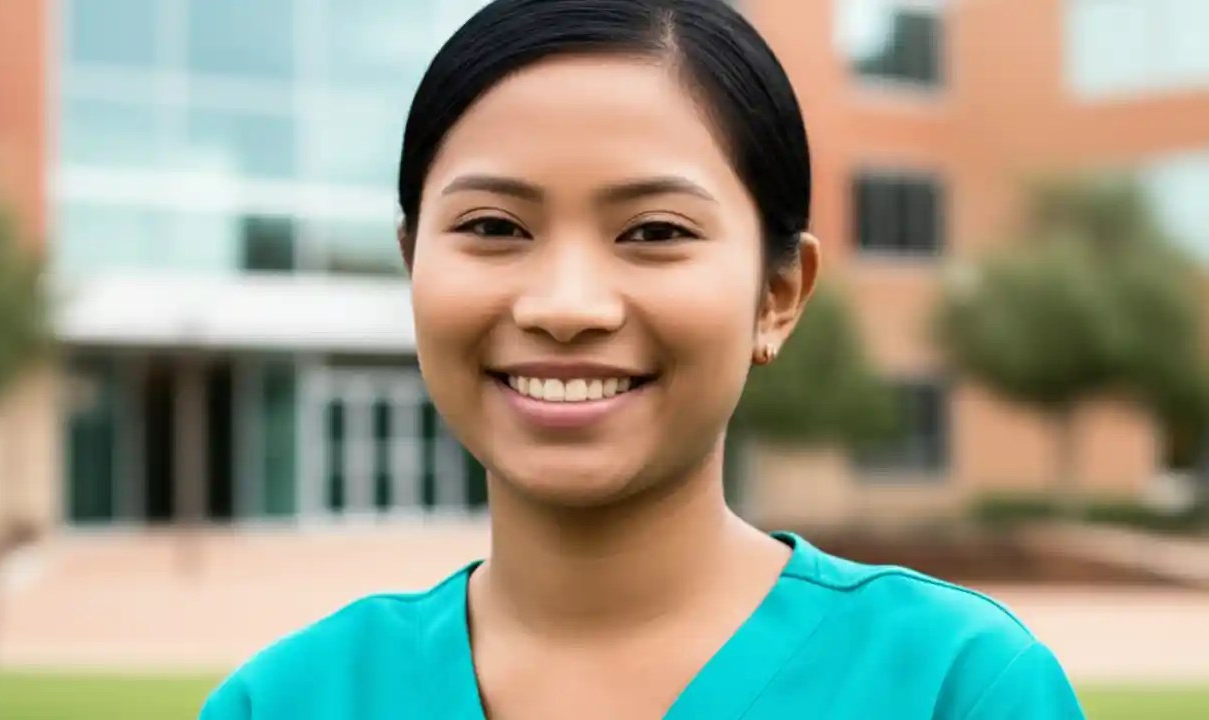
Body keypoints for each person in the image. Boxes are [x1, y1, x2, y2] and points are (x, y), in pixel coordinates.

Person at [200, 0, 1085, 717]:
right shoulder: (284, 700)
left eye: (655, 231)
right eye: (493, 228)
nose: (565, 307)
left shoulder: (956, 688)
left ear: (777, 294)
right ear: (412, 264)